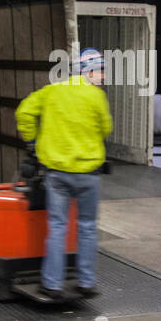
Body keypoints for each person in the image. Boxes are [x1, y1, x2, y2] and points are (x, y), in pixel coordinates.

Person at [15, 47, 112, 300]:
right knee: (88, 227)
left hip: (56, 174)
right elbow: (106, 127)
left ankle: (52, 285)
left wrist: (32, 142)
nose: (102, 76)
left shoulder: (52, 91)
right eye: (100, 71)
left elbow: (24, 112)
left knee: (57, 227)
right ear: (88, 72)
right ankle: (86, 282)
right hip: (88, 174)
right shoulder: (96, 97)